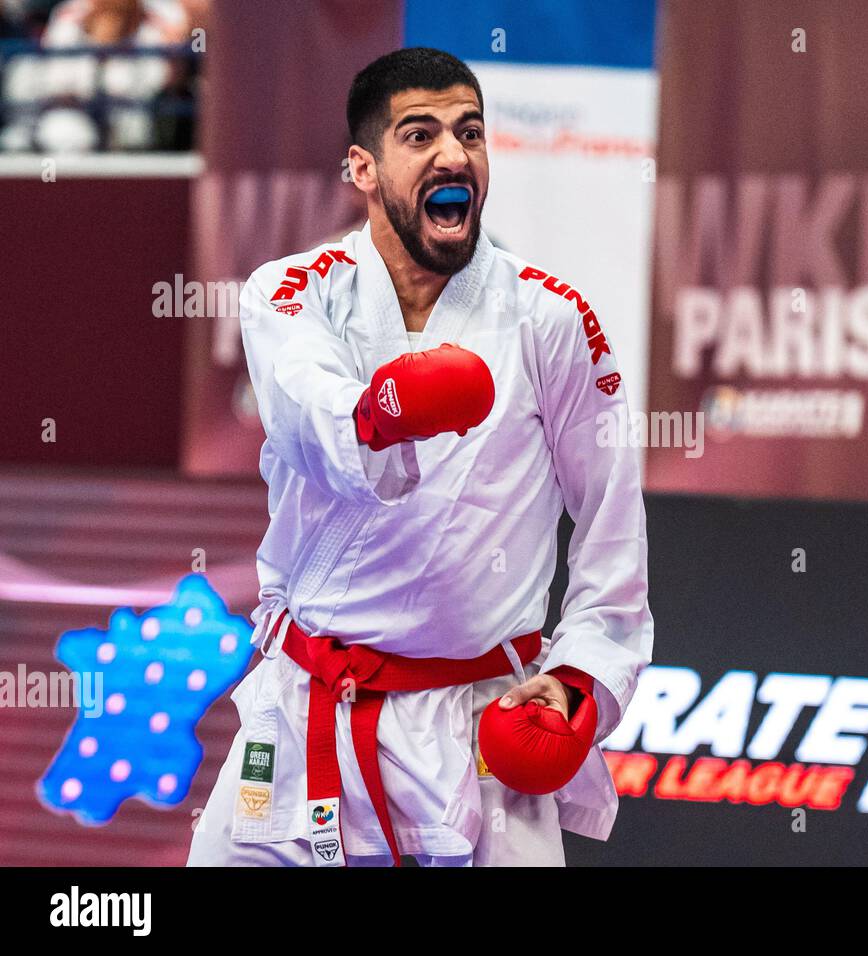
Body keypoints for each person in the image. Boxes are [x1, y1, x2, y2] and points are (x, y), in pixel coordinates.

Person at [187, 47, 653, 867]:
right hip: (307, 714)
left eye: (470, 133)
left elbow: (613, 521)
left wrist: (581, 677)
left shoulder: (550, 320)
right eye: (421, 133)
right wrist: (383, 412)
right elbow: (306, 409)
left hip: (476, 722)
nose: (454, 154)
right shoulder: (291, 291)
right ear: (363, 167)